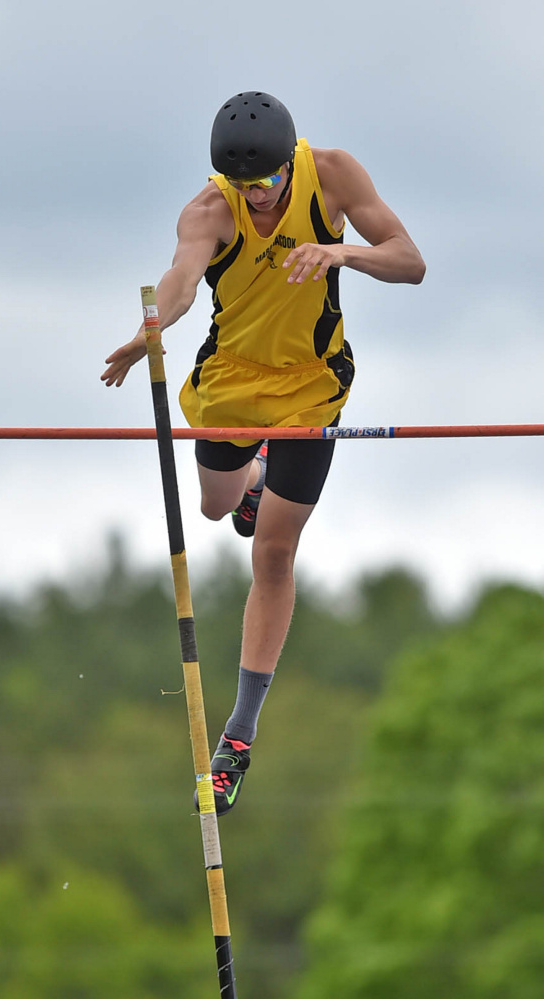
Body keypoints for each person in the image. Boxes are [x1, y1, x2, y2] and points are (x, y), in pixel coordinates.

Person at [101, 91, 425, 815]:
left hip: (311, 385)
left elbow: (410, 262)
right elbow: (183, 281)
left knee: (273, 552)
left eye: (268, 182)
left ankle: (238, 737)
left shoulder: (333, 175)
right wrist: (152, 329)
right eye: (242, 186)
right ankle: (251, 482)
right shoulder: (207, 211)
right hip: (232, 384)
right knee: (215, 509)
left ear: (289, 163)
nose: (257, 198)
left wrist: (340, 250)